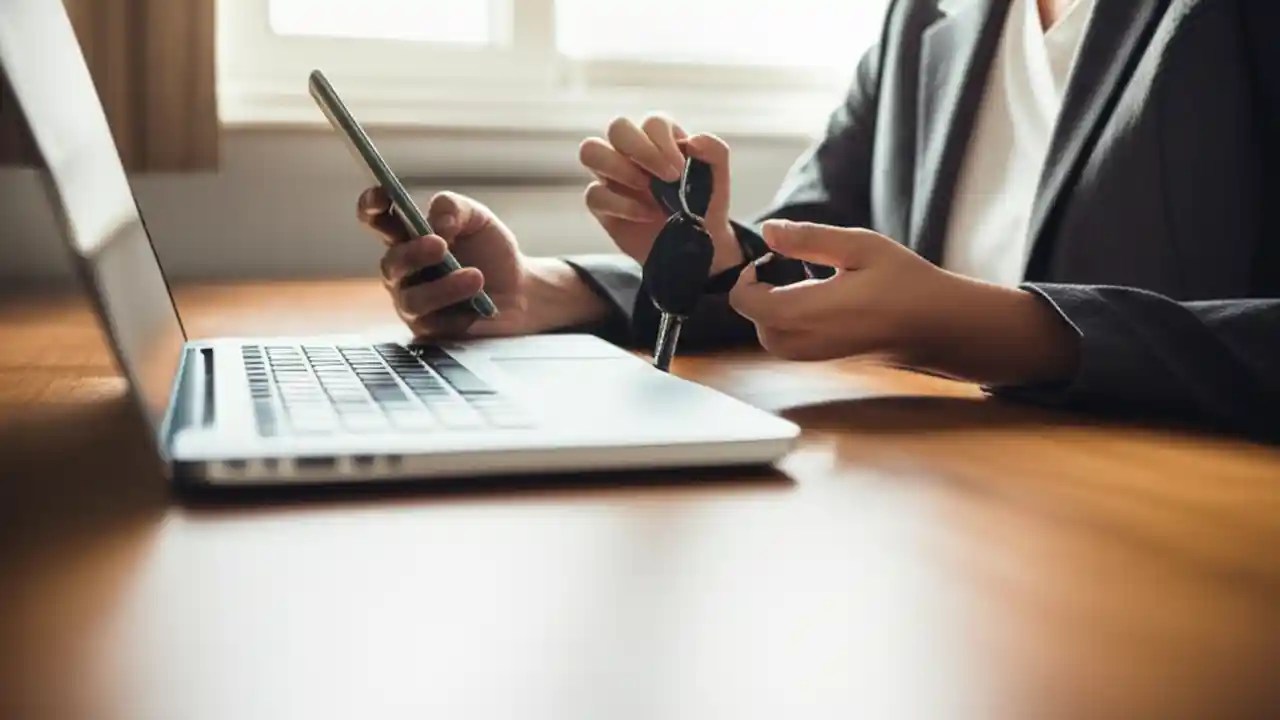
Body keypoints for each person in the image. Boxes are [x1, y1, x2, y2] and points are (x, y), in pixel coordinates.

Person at [358, 0, 1279, 438]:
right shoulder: (928, 17)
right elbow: (793, 252)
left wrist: (1008, 331)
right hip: (944, 515)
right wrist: (549, 291)